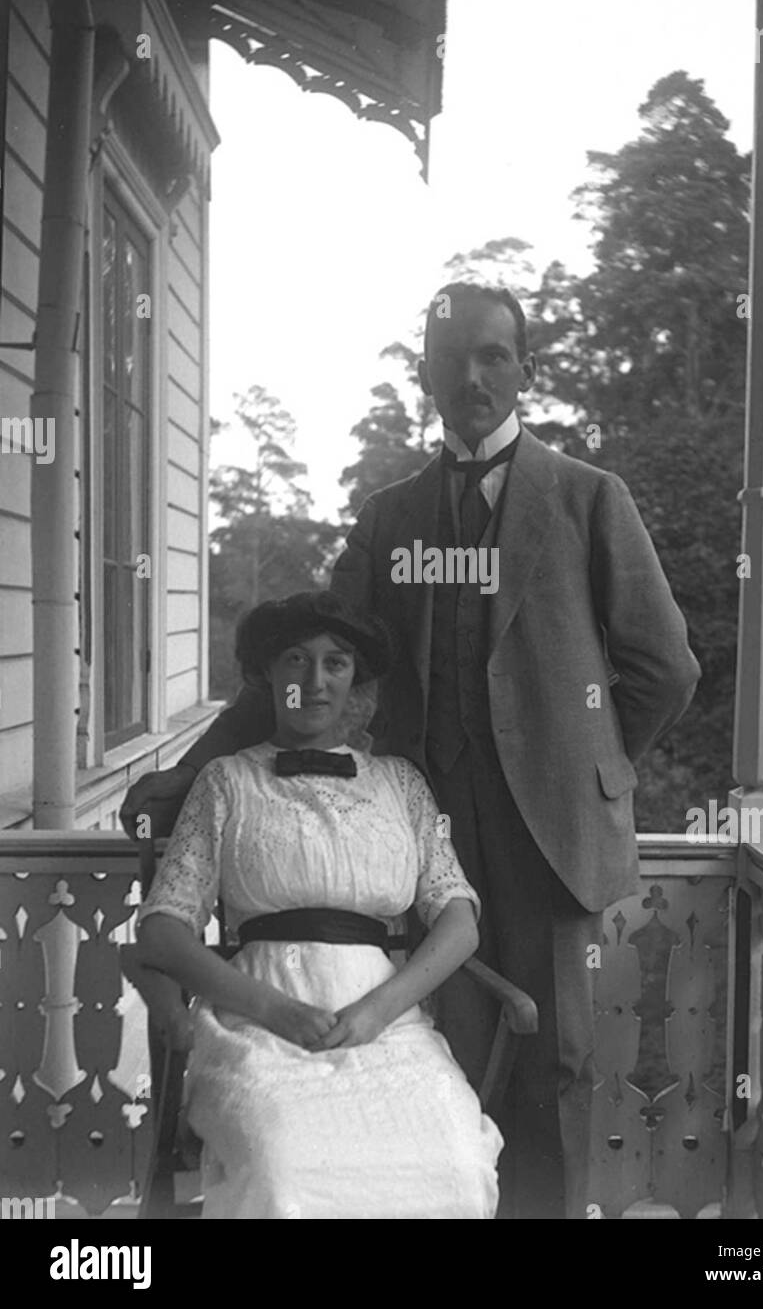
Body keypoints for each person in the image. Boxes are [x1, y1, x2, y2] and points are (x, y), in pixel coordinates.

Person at [122, 281, 701, 1220]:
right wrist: (192, 771)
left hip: (550, 843)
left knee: (552, 1067)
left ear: (524, 369)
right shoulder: (393, 518)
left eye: (493, 356)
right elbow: (291, 670)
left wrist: (592, 772)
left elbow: (664, 668)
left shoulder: (591, 500)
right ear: (425, 373)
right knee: (451, 1060)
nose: (471, 376)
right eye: (451, 358)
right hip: (426, 829)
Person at [135, 590, 502, 1219]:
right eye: (296, 660)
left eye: (335, 663)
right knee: (286, 1170)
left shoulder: (402, 784)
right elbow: (164, 932)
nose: (314, 680)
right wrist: (276, 1010)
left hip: (388, 1028)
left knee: (456, 1166)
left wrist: (376, 1012)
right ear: (268, 677)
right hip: (257, 1020)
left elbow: (458, 920)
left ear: (356, 680)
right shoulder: (225, 781)